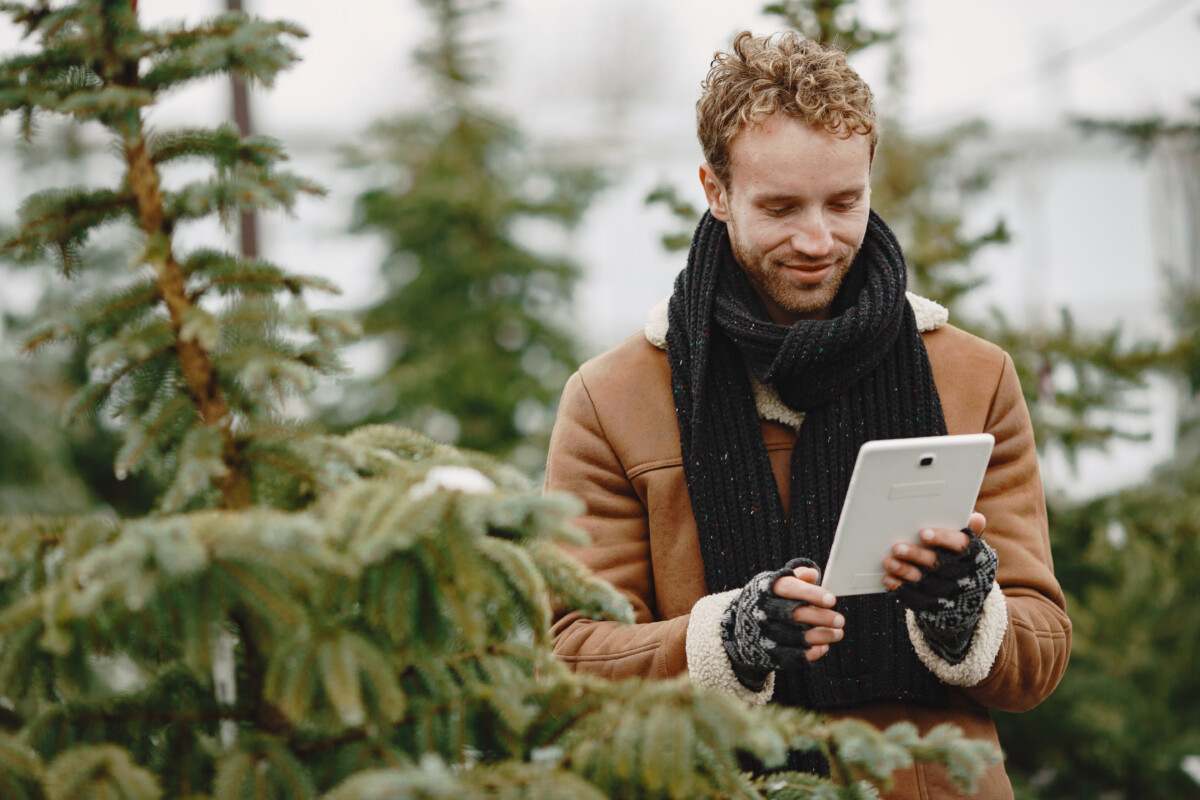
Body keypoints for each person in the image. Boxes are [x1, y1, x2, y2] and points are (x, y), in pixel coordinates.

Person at [545, 30, 1070, 799]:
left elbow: (1041, 654)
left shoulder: (972, 375)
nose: (818, 240)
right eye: (782, 207)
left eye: (844, 202)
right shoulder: (613, 400)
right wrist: (728, 642)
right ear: (716, 191)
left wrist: (966, 615)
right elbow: (570, 661)